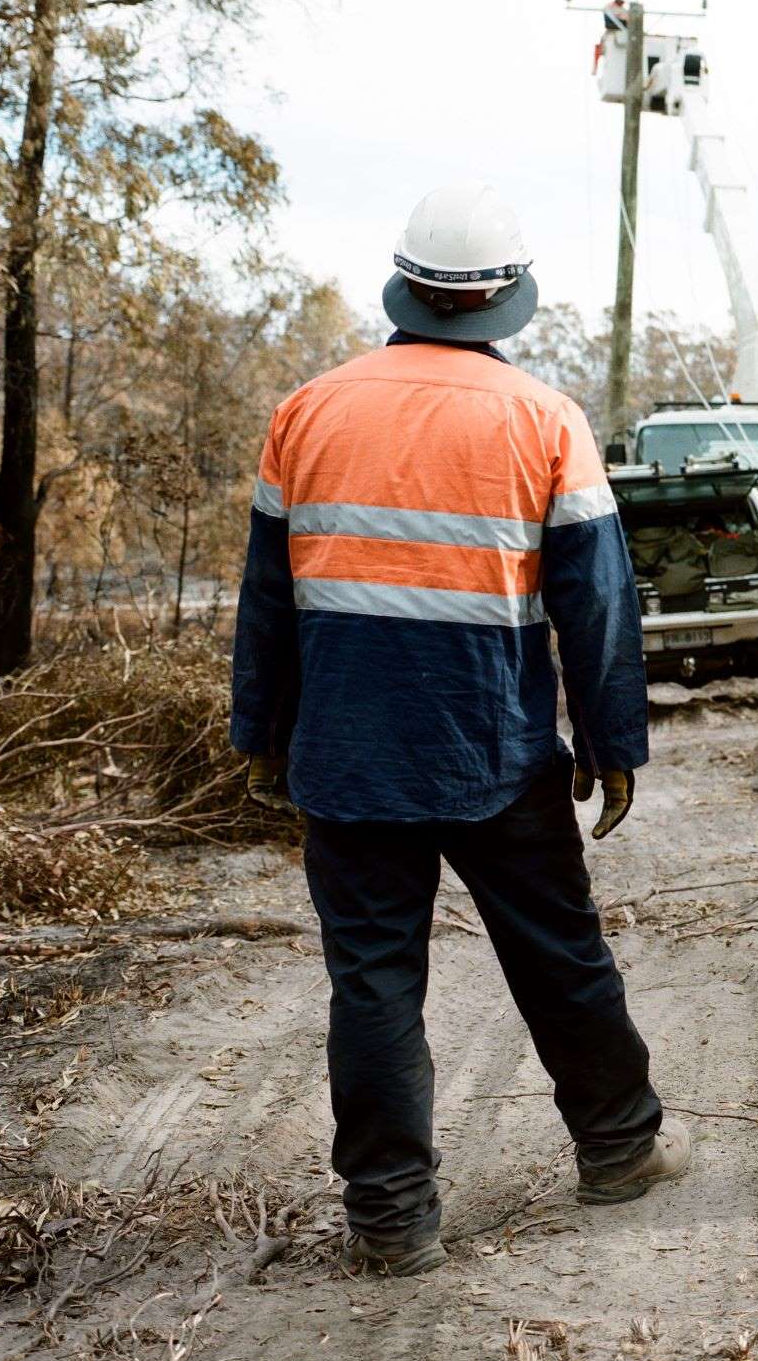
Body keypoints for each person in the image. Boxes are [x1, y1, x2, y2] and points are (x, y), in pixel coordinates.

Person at [230, 179, 687, 1275]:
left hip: (347, 754)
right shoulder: (543, 419)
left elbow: (265, 594)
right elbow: (599, 605)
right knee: (559, 953)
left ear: (406, 288)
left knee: (374, 981)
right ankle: (619, 1147)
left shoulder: (306, 412)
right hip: (497, 751)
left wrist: (261, 732)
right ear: (506, 299)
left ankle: (391, 1216)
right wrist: (613, 746)